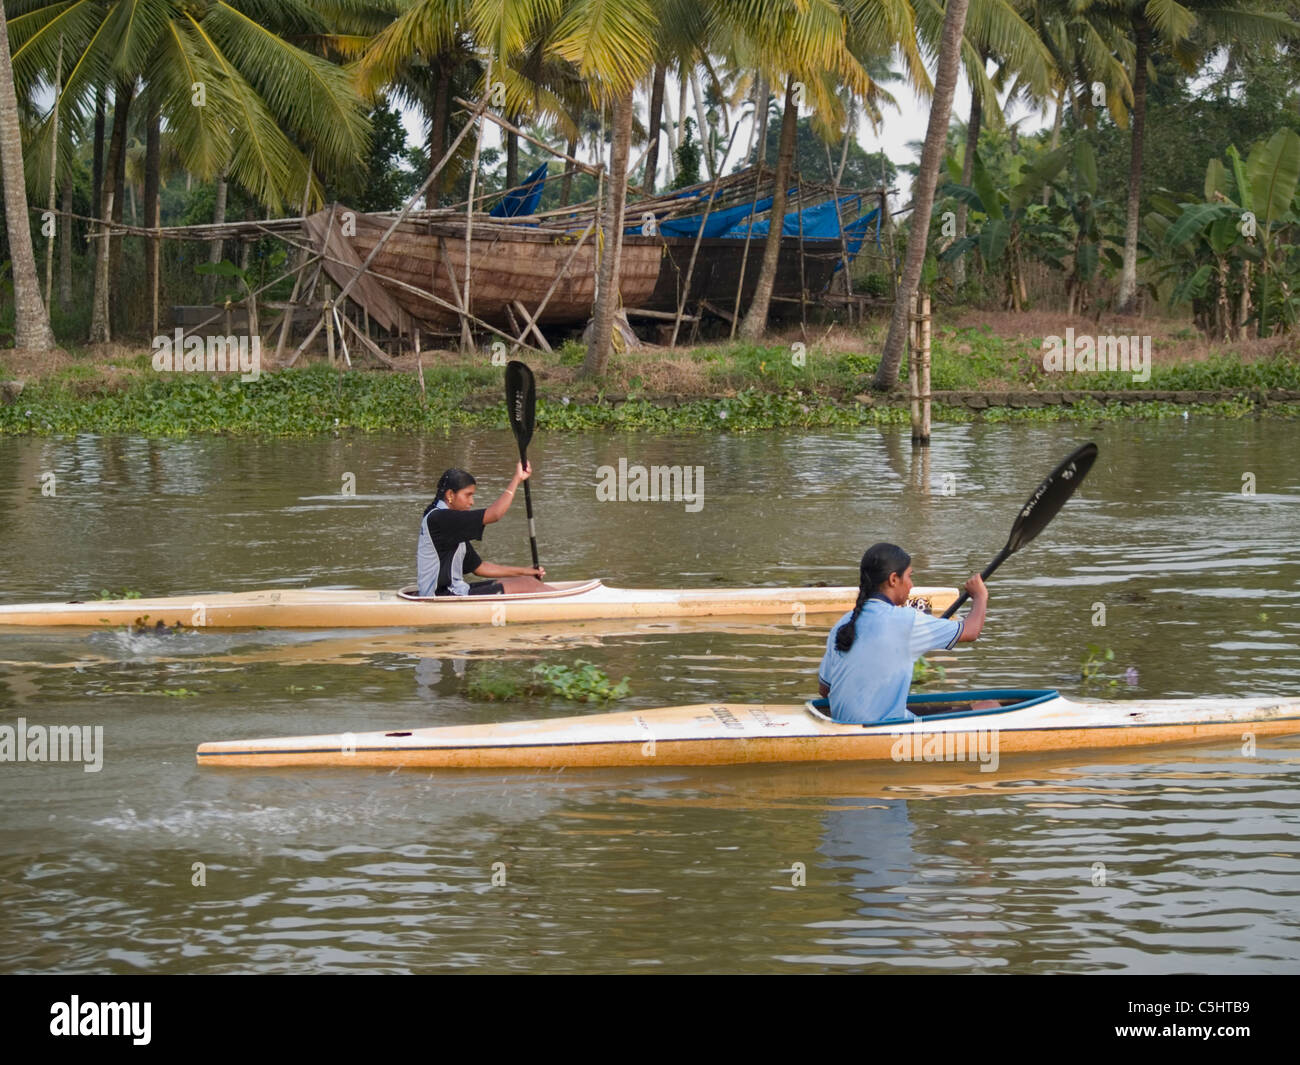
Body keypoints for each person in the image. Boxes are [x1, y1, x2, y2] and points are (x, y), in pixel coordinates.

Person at [817, 542, 987, 725]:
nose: (911, 585)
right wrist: (979, 596)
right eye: (909, 576)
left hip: (841, 724)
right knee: (989, 707)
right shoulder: (908, 620)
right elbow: (971, 631)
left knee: (934, 708)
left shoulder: (842, 623)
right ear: (893, 579)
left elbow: (825, 690)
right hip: (881, 729)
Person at [417, 464, 548, 597]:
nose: (472, 502)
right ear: (450, 495)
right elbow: (495, 514)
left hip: (453, 590)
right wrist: (516, 479)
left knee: (526, 581)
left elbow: (480, 568)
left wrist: (526, 572)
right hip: (440, 596)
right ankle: (565, 605)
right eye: (468, 495)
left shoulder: (449, 524)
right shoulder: (441, 518)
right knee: (527, 585)